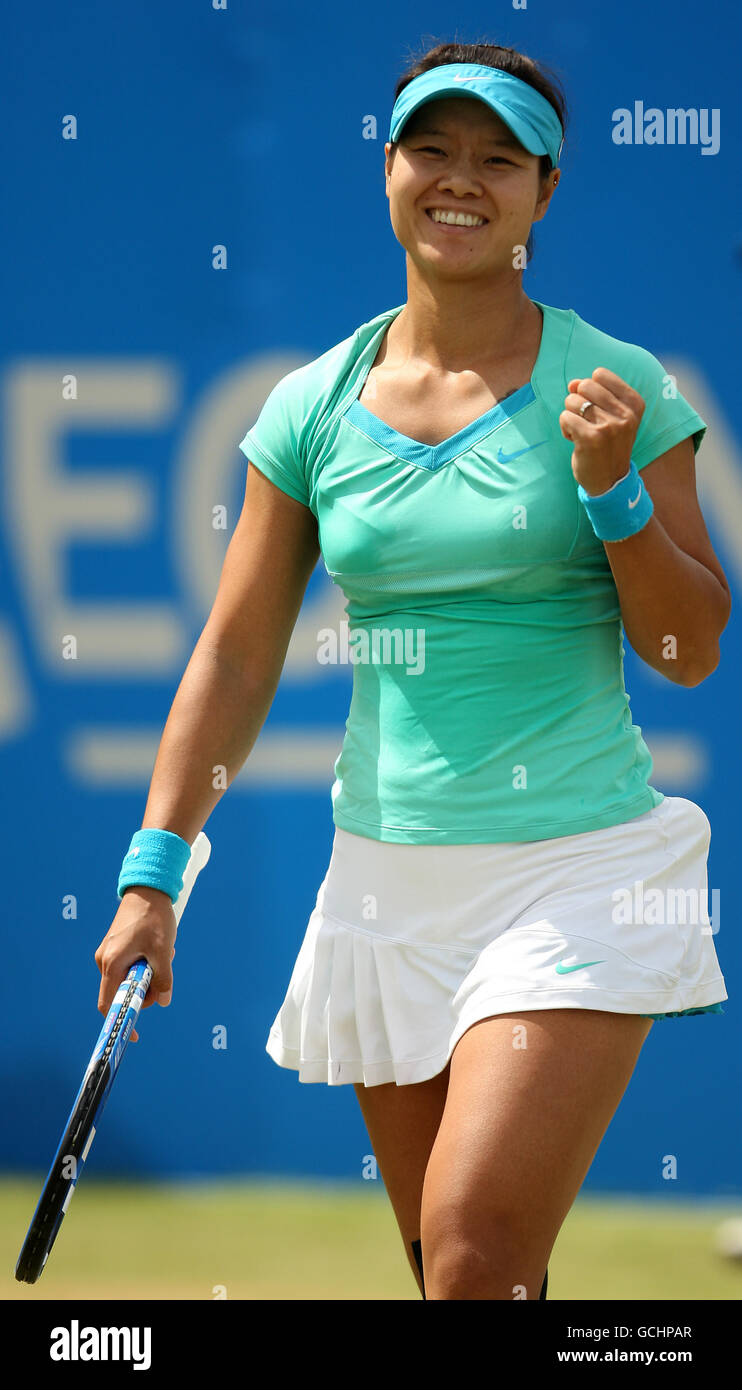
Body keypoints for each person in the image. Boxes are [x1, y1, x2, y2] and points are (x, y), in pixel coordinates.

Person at [95, 40, 731, 1301]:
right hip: (386, 881)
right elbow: (234, 651)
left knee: (472, 1256)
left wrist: (610, 500)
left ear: (545, 193)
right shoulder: (311, 407)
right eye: (431, 148)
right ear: (387, 170)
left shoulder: (621, 391)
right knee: (468, 1278)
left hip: (577, 871)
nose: (461, 179)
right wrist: (153, 871)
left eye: (499, 158)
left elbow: (688, 648)